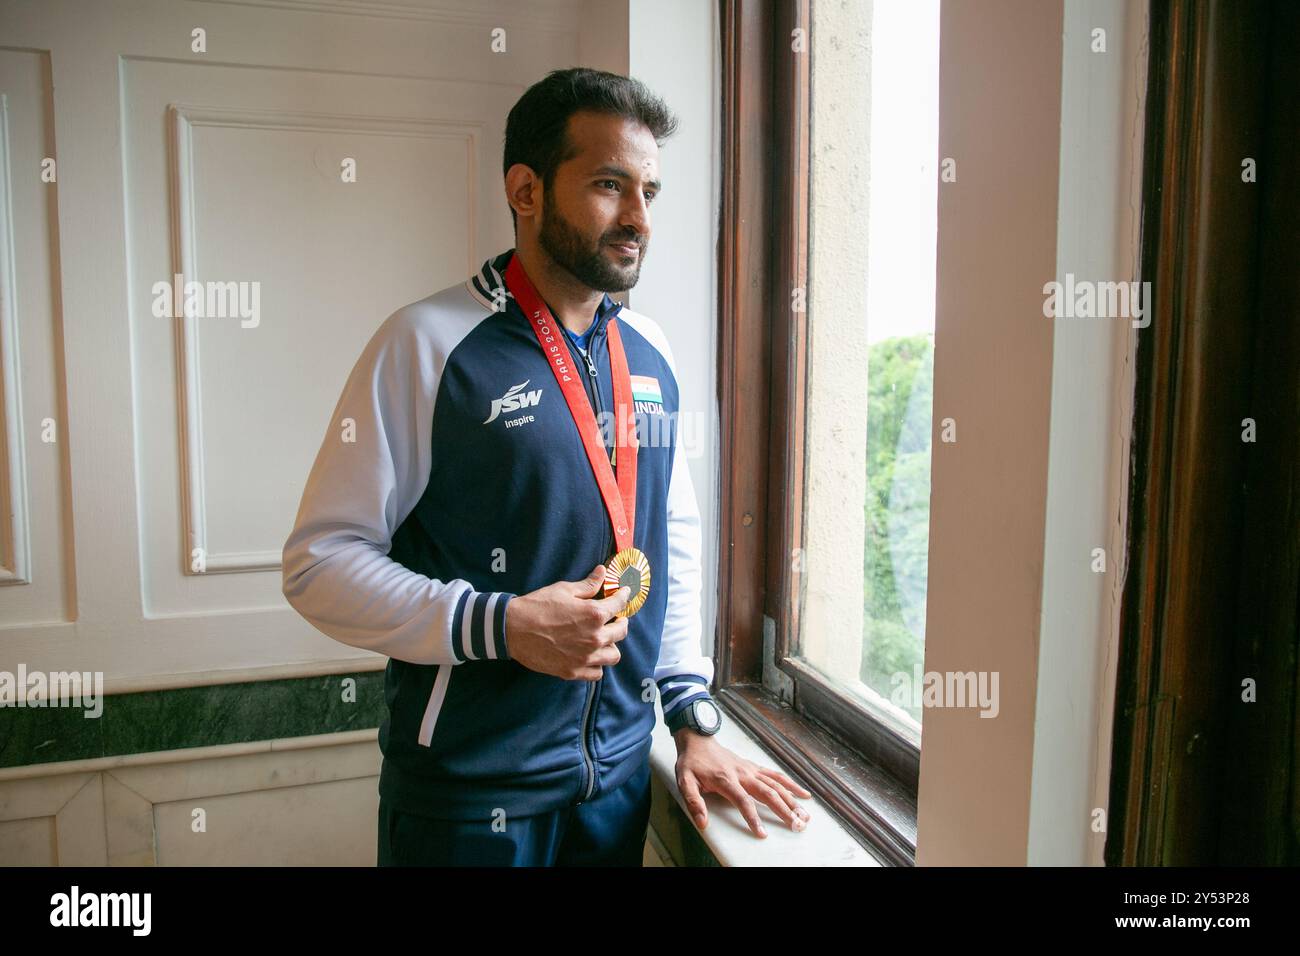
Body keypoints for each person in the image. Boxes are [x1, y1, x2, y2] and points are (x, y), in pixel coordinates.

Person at [282, 67, 810, 866]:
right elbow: (319, 565)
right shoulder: (427, 345)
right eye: (609, 184)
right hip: (467, 801)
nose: (639, 219)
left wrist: (691, 719)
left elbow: (669, 541)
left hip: (618, 787)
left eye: (650, 192)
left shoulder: (652, 352)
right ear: (525, 190)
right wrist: (503, 625)